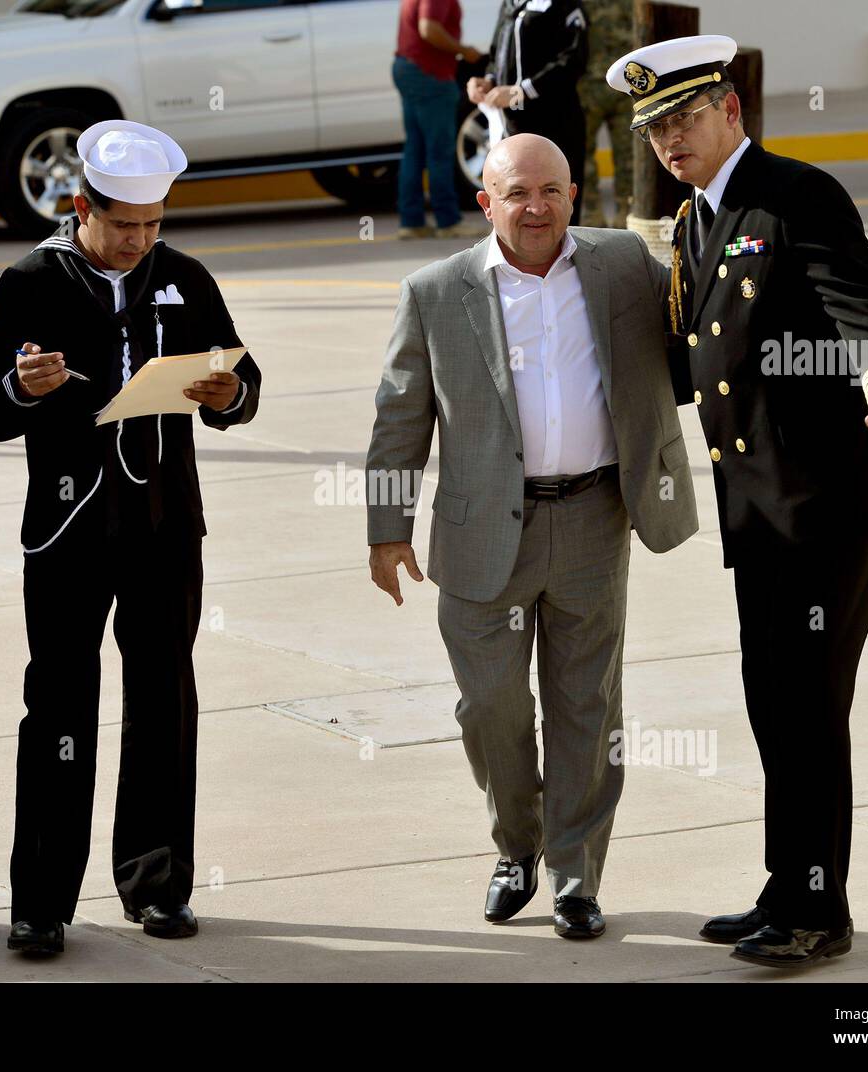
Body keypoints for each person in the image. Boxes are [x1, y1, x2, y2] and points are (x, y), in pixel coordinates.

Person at [606, 35, 868, 967]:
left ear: (731, 111)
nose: (671, 139)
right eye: (656, 127)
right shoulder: (699, 218)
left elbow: (859, 305)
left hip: (828, 498)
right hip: (760, 508)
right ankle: (787, 889)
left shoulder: (796, 195)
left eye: (685, 117)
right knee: (773, 701)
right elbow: (694, 357)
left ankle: (818, 913)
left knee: (810, 705)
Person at [366, 133, 697, 939]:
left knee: (587, 705)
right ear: (487, 202)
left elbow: (697, 340)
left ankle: (576, 876)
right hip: (481, 533)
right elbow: (399, 416)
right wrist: (387, 526)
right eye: (517, 193)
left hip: (594, 518)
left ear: (574, 196)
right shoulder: (436, 291)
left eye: (551, 190)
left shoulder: (622, 265)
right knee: (491, 708)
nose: (536, 207)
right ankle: (517, 846)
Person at [0, 120, 261, 956]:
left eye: (152, 226)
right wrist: (19, 388)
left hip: (166, 524)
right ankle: (40, 903)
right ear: (80, 207)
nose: (138, 242)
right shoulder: (29, 282)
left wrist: (223, 392)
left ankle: (158, 882)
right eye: (122, 225)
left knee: (166, 700)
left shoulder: (184, 278)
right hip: (68, 528)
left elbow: (248, 390)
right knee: (58, 705)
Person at [467, 0, 589, 224]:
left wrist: (521, 91)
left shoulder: (563, 4)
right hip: (513, 123)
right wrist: (488, 80)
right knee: (516, 198)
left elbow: (574, 59)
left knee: (557, 205)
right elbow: (498, 54)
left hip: (554, 121)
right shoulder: (510, 3)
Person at [392, 0, 488, 239]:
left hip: (409, 67)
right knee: (439, 151)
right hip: (429, 73)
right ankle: (448, 221)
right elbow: (428, 28)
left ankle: (411, 222)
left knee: (415, 148)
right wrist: (464, 50)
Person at [576, 0, 633, 227]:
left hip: (624, 87)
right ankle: (591, 219)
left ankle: (626, 218)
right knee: (583, 158)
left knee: (629, 157)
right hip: (588, 87)